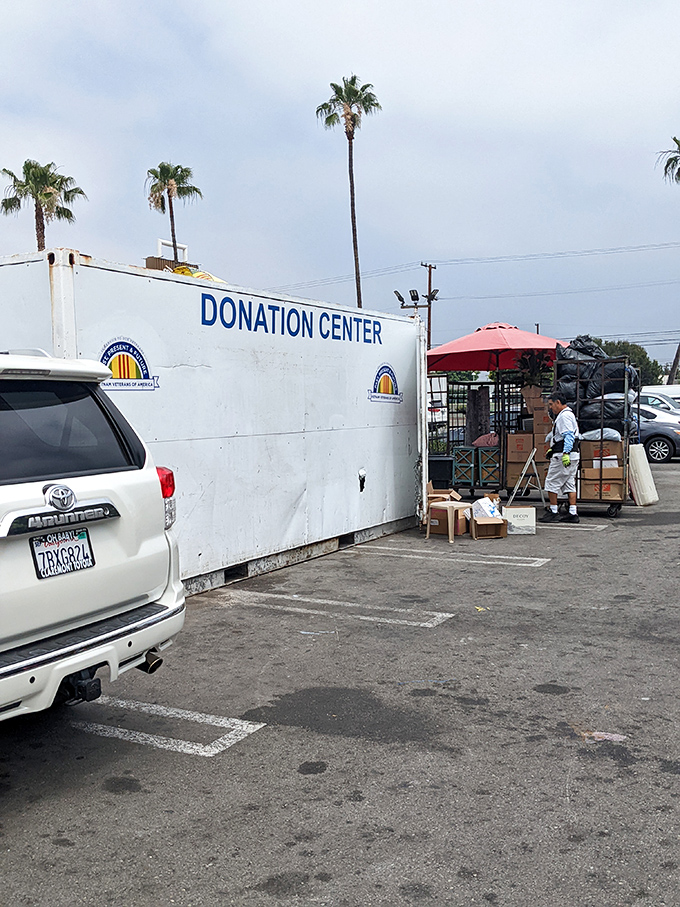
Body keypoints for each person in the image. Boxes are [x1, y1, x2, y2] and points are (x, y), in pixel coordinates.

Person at [539, 391, 581, 524]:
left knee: (551, 482)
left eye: (551, 404)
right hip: (573, 454)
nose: (551, 407)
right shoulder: (569, 415)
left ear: (558, 402)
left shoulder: (564, 416)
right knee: (569, 483)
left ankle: (554, 511)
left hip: (563, 455)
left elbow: (568, 435)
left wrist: (565, 453)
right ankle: (572, 513)